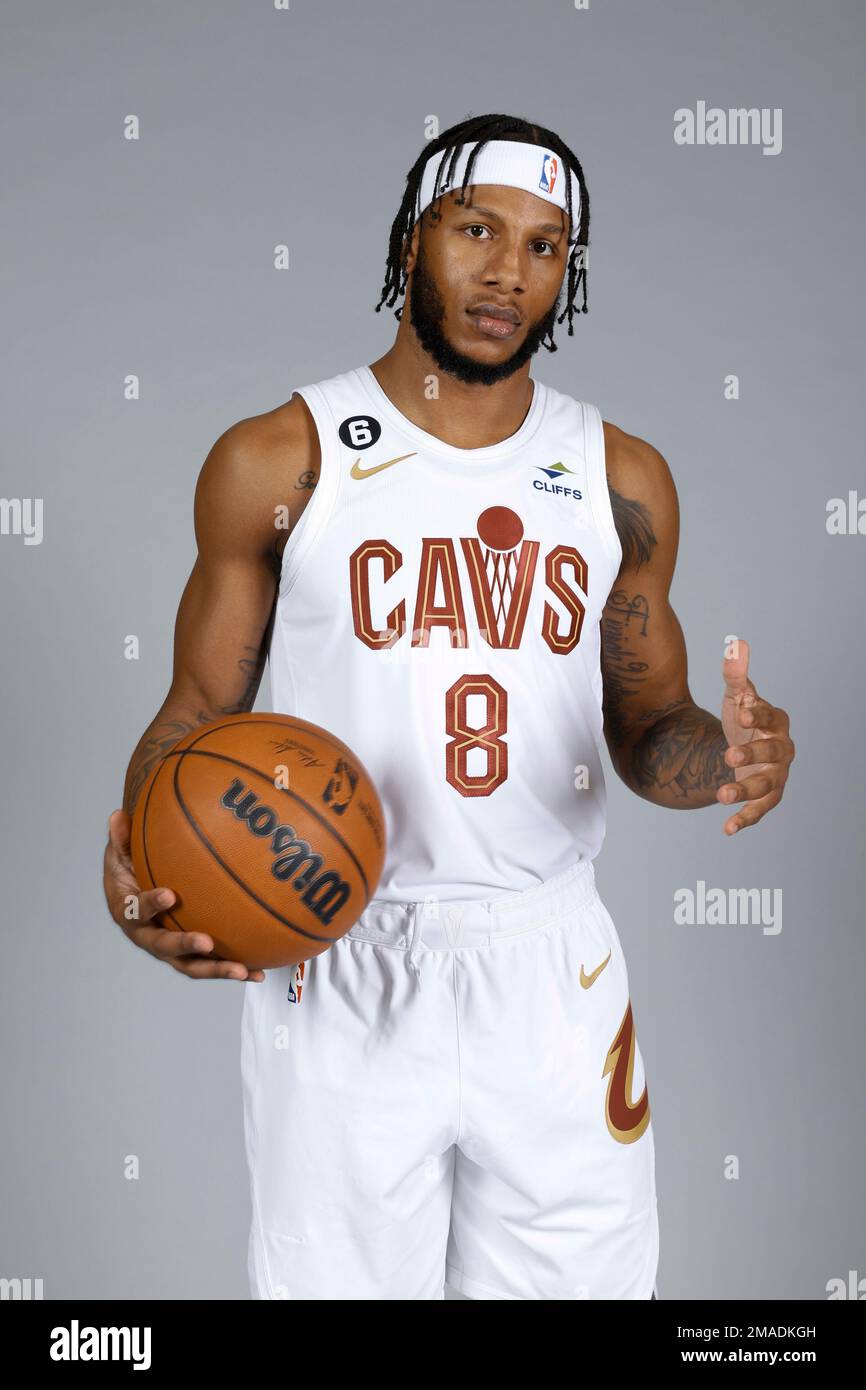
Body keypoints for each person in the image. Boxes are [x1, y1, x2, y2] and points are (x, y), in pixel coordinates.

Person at [103, 113, 795, 1301]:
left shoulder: (616, 478)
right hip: (334, 957)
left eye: (542, 246)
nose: (504, 273)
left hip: (550, 965)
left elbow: (649, 727)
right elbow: (196, 712)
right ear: (410, 238)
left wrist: (726, 759)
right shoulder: (281, 459)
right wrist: (135, 868)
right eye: (474, 230)